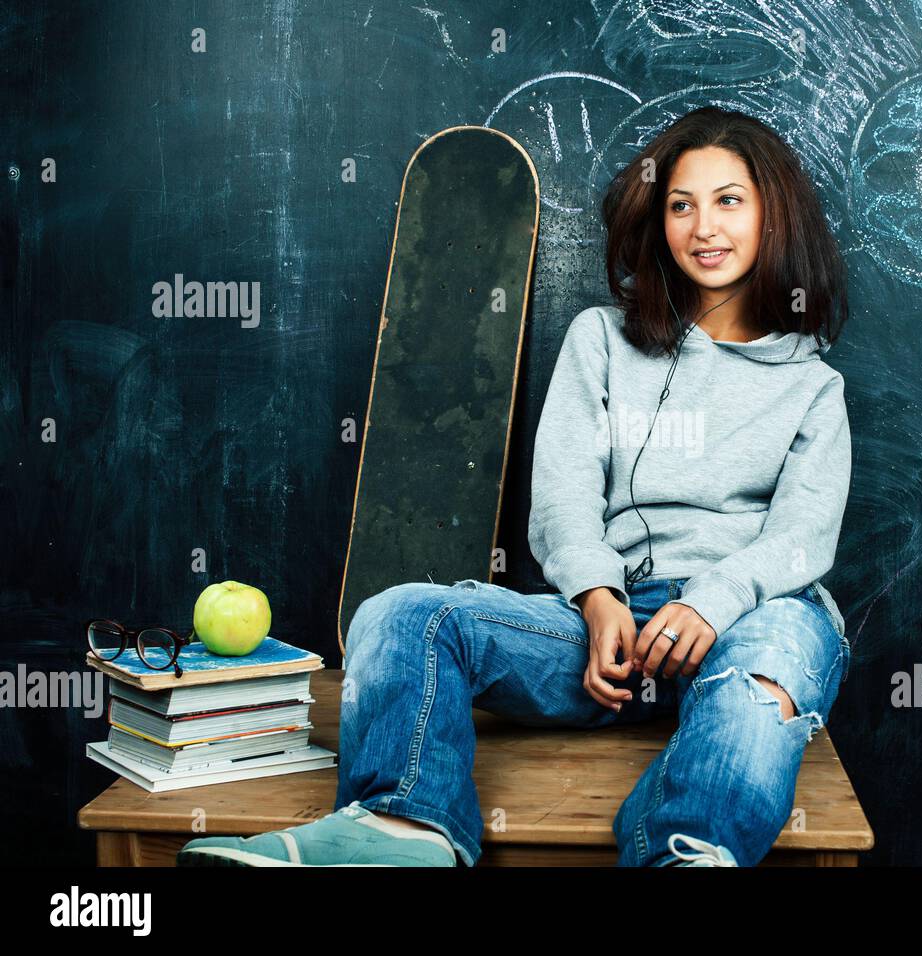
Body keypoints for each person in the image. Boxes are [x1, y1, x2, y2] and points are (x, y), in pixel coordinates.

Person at [177, 105, 853, 868]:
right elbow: (563, 498)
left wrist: (712, 601)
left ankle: (686, 852)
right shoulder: (602, 339)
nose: (704, 226)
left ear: (774, 214)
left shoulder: (812, 385)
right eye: (680, 204)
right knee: (401, 613)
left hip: (752, 619)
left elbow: (804, 535)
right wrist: (598, 599)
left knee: (764, 671)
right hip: (613, 630)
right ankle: (401, 832)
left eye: (729, 200)